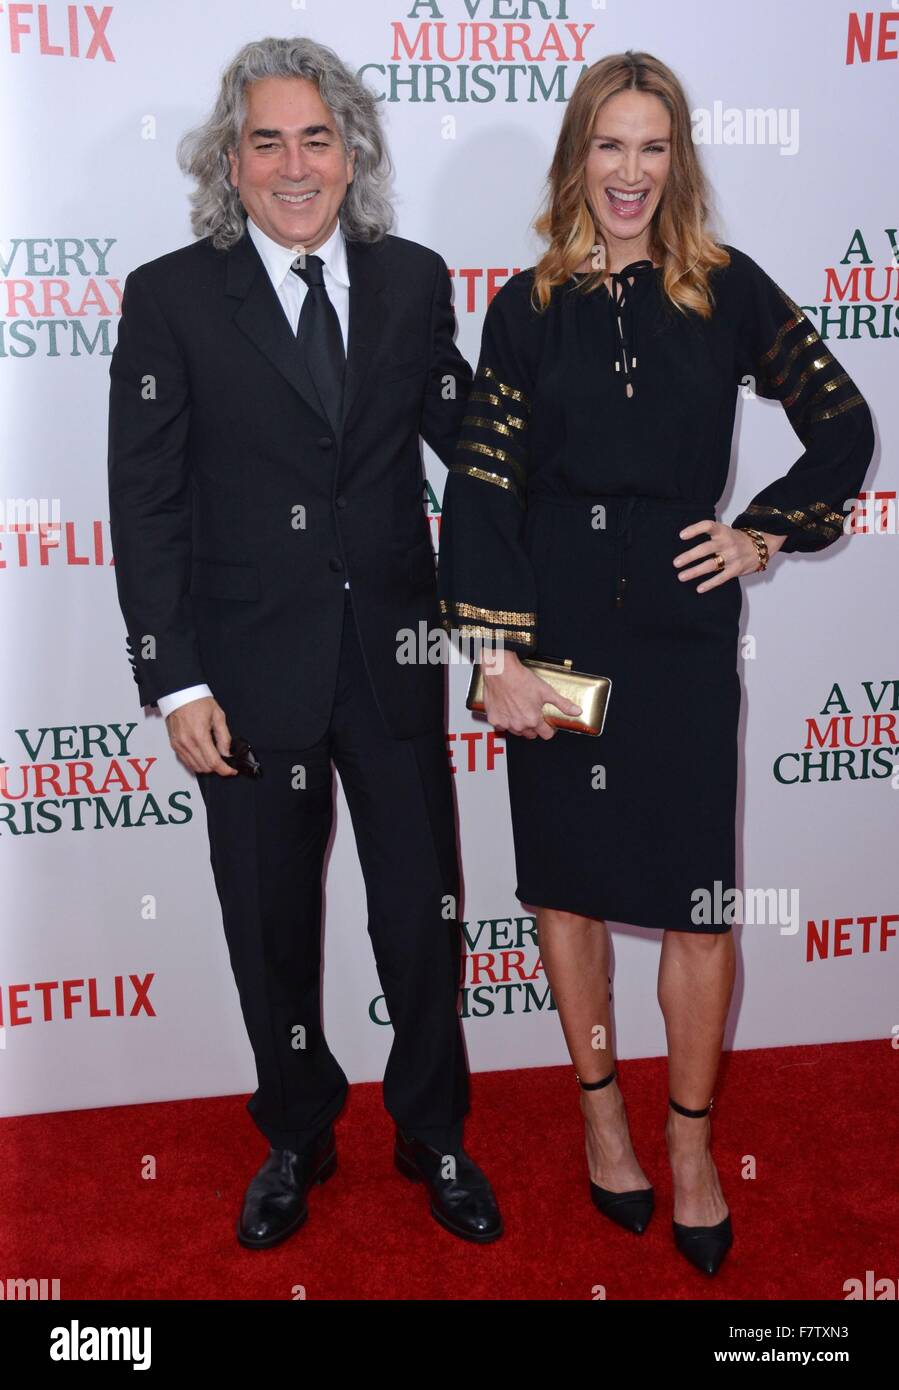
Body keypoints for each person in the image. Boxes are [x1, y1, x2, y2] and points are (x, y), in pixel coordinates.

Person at [437, 50, 874, 1276]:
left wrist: (761, 533)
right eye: (608, 144)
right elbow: (482, 486)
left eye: (651, 146)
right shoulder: (523, 307)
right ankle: (600, 1119)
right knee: (566, 890)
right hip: (557, 633)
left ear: (675, 159)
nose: (628, 172)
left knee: (696, 900)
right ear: (576, 154)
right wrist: (494, 655)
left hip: (681, 635)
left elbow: (841, 423)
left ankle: (688, 1144)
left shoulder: (724, 288)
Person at [108, 35, 502, 1250]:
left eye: (316, 139)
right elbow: (146, 500)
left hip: (391, 660)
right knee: (268, 922)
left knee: (420, 915)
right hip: (242, 676)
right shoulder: (172, 297)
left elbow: (470, 443)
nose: (294, 166)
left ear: (351, 153)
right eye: (266, 141)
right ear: (229, 161)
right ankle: (295, 1131)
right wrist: (174, 677)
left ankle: (432, 1129)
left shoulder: (411, 279)